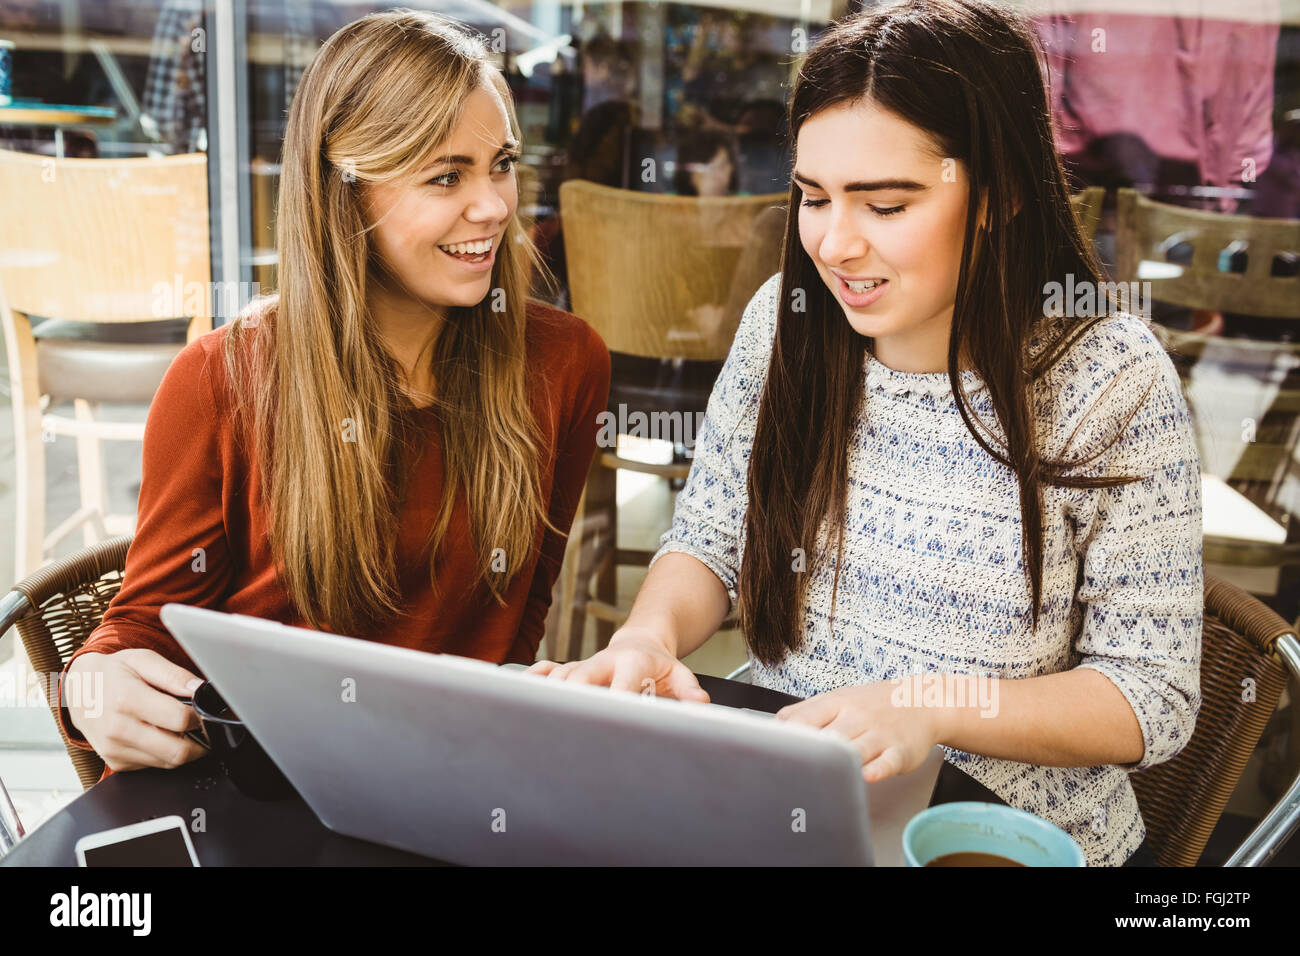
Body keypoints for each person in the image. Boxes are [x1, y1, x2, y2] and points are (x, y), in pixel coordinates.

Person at [531, 0, 1202, 867]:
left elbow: (1150, 697)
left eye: (884, 204)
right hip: (789, 798)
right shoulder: (787, 321)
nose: (834, 243)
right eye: (813, 197)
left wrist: (929, 704)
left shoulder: (1109, 376)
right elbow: (710, 541)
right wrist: (647, 638)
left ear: (996, 195)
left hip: (997, 837)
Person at [61, 10, 610, 777]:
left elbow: (522, 616)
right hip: (267, 789)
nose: (494, 206)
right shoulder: (221, 380)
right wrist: (91, 689)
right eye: (445, 176)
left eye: (502, 164)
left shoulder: (565, 363)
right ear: (344, 195)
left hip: (456, 786)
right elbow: (138, 631)